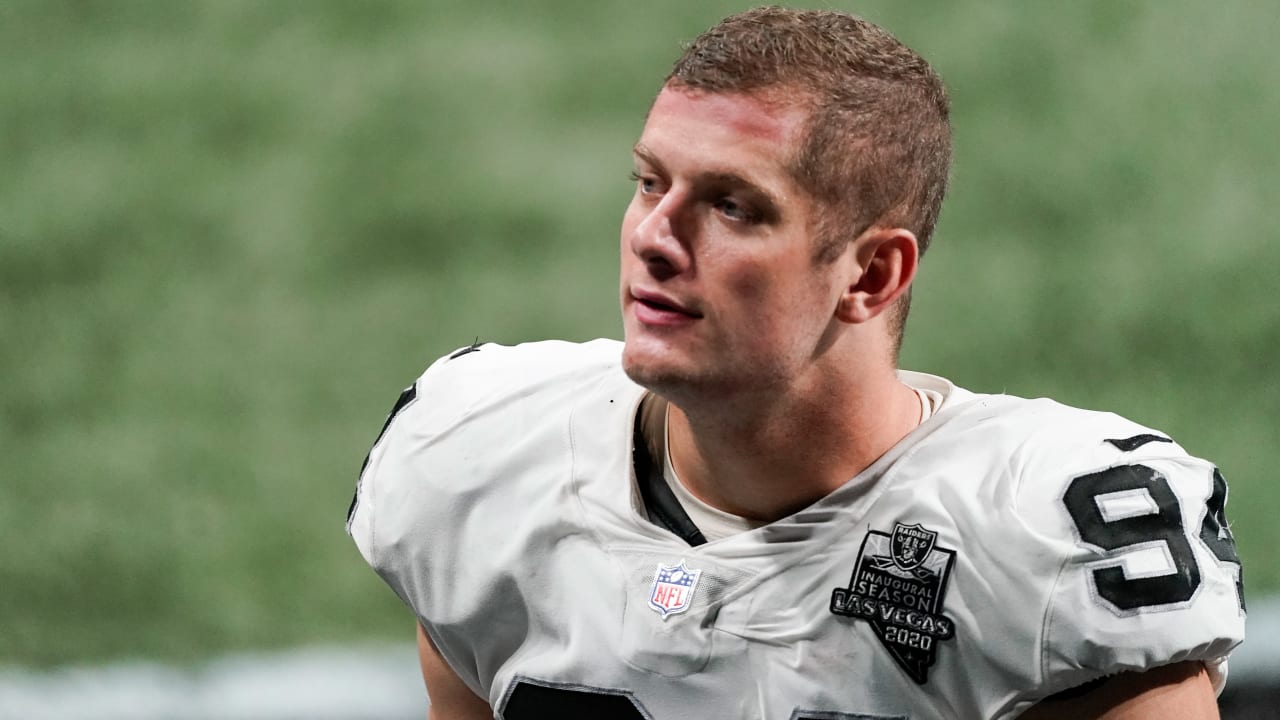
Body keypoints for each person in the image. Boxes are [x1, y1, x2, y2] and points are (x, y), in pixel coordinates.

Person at [346, 7, 1246, 719]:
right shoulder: (483, 454)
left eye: (734, 206)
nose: (654, 239)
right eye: (650, 182)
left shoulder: (1046, 540)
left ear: (871, 272)